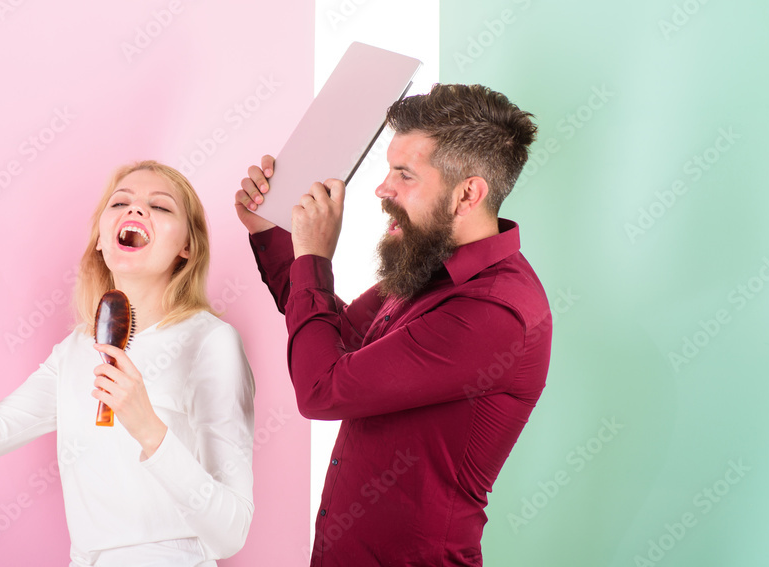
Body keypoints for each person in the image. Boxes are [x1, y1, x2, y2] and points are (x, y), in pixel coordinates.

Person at [234, 84, 552, 566]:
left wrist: (314, 256)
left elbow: (322, 387)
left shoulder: (494, 311)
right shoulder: (430, 265)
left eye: (404, 174)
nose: (383, 189)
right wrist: (274, 233)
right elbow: (331, 336)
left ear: (468, 193)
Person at [0, 161, 255, 567]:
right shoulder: (75, 349)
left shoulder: (210, 342)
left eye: (160, 207)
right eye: (119, 202)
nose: (135, 209)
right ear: (101, 241)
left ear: (187, 247)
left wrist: (148, 428)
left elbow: (231, 534)